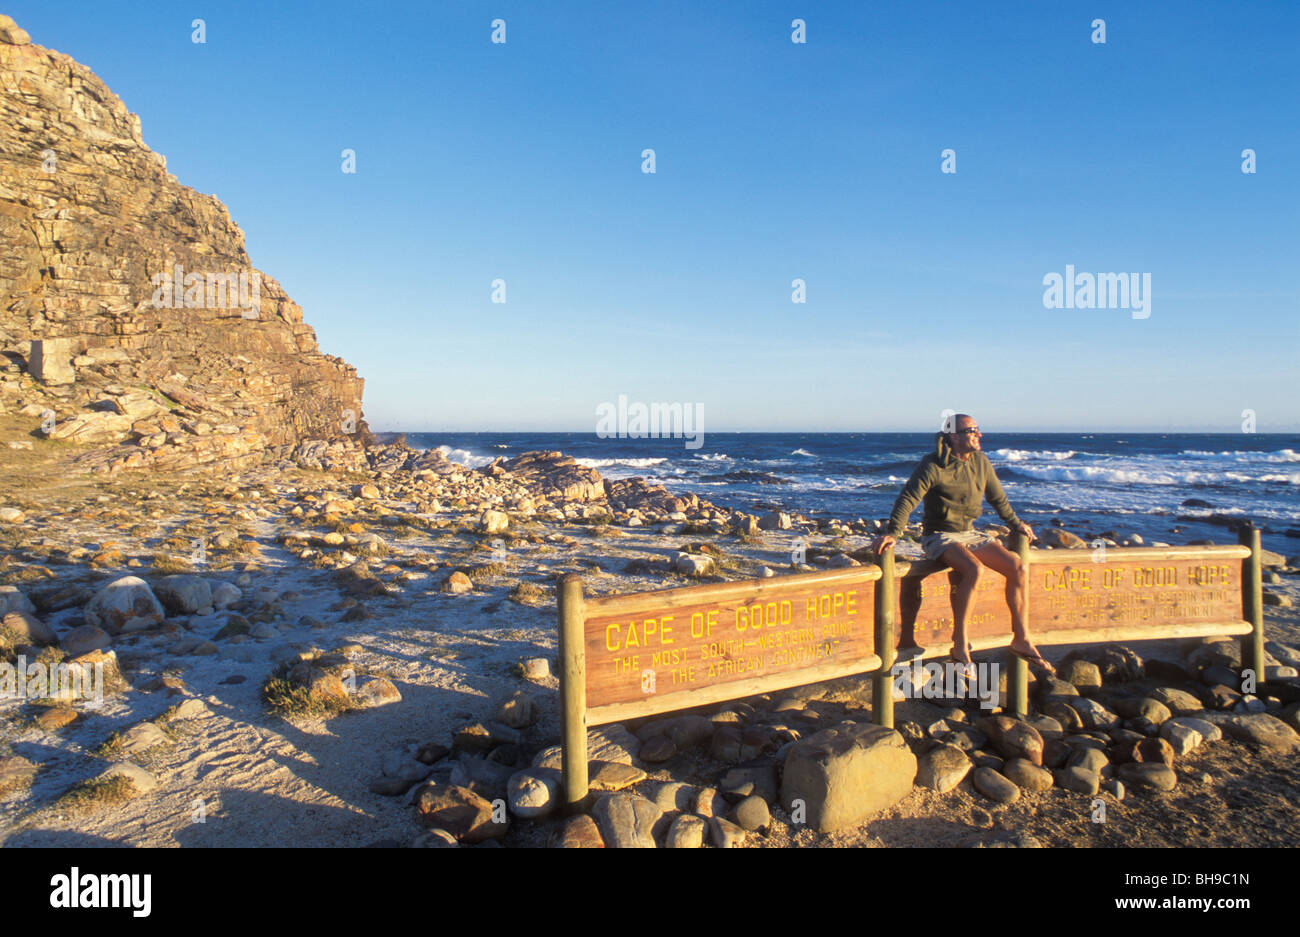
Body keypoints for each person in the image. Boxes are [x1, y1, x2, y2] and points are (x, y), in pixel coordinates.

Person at [869, 414, 1055, 675]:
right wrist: (894, 533)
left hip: (970, 533)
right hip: (939, 535)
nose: (979, 435)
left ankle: (1021, 638)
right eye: (972, 431)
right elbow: (908, 497)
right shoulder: (932, 464)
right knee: (973, 569)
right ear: (954, 437)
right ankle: (959, 645)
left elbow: (998, 499)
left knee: (1017, 567)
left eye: (978, 430)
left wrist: (1016, 524)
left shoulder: (981, 462)